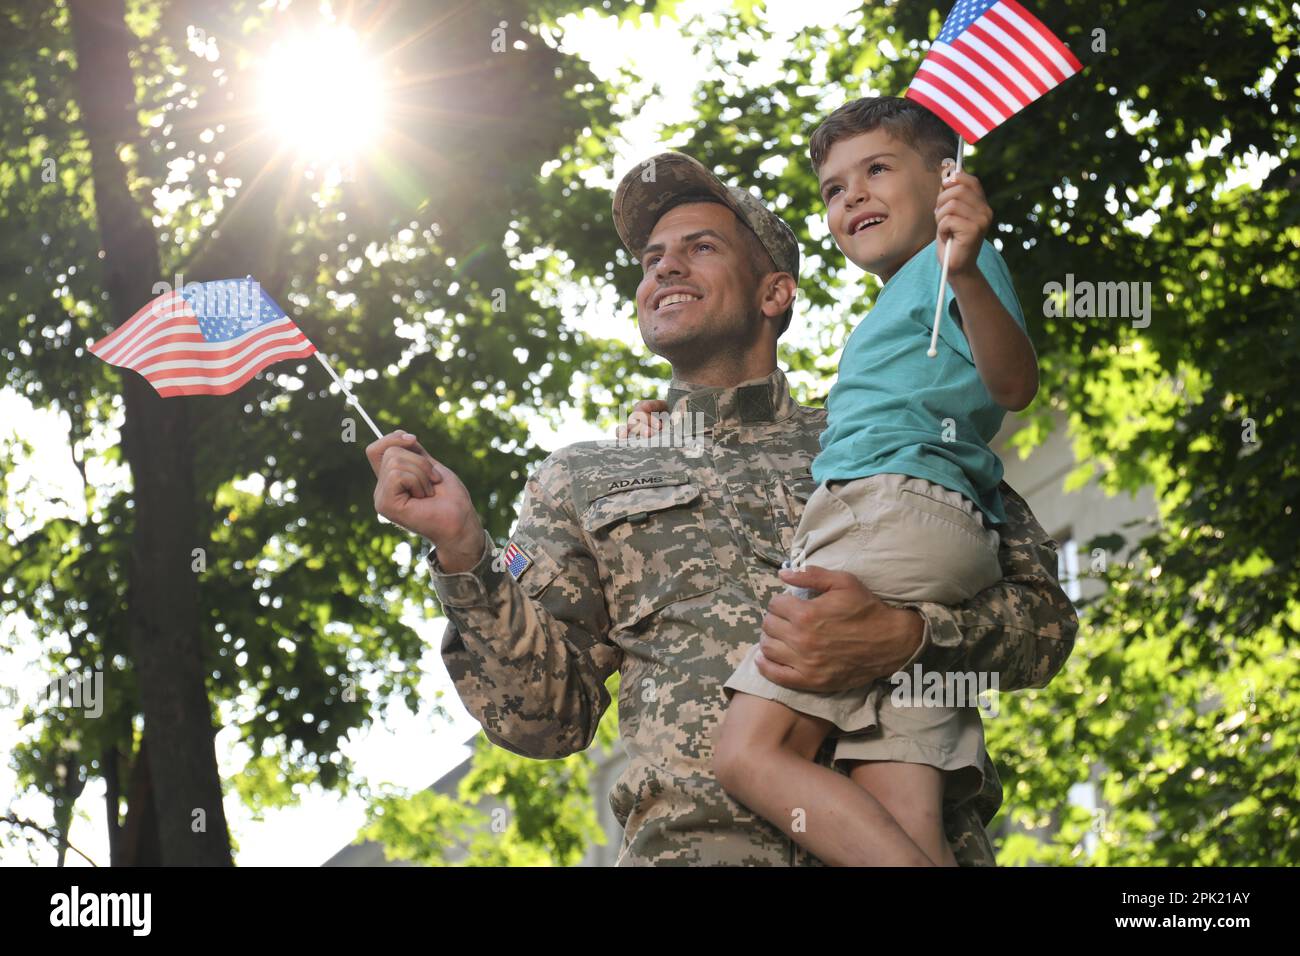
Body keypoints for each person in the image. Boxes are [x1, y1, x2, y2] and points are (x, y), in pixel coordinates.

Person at [365, 149, 1078, 865]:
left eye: (700, 247)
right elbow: (546, 719)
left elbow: (1044, 623)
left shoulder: (883, 428)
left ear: (775, 294)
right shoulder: (582, 477)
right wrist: (464, 554)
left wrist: (910, 639)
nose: (666, 268)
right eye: (651, 260)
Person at [706, 95, 1039, 867]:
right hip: (940, 551)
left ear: (945, 178)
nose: (852, 195)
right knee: (902, 806)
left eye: (877, 169)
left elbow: (1015, 382)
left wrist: (967, 269)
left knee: (748, 754)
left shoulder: (956, 264)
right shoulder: (907, 298)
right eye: (833, 188)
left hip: (886, 516)